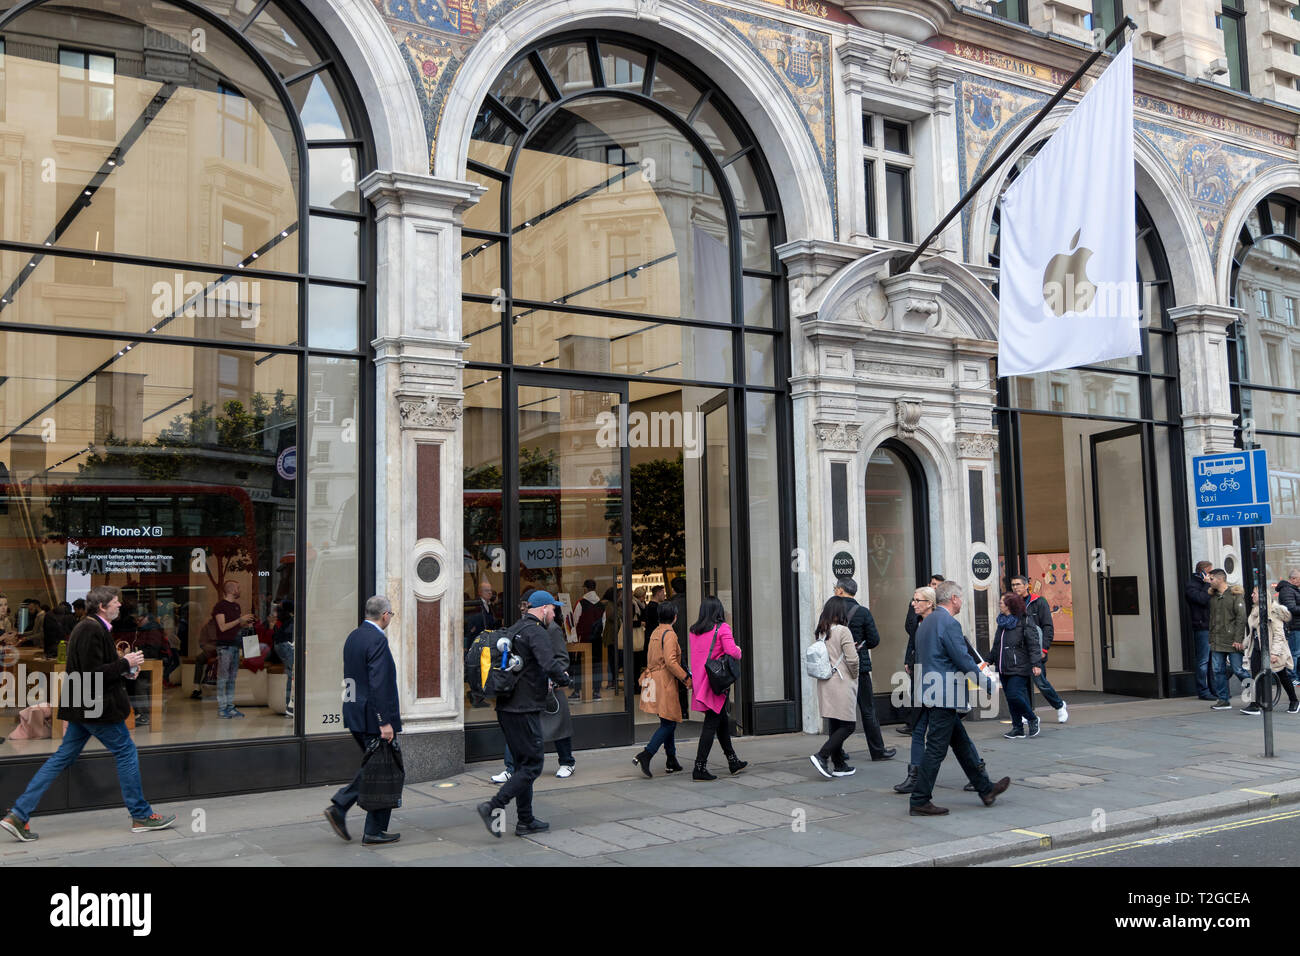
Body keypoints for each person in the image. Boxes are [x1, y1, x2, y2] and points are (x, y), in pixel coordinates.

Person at [1, 586, 177, 842]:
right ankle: (141, 815)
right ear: (103, 606)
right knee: (126, 751)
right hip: (96, 707)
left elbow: (92, 670)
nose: (120, 605)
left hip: (85, 707)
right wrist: (125, 664)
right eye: (116, 602)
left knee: (61, 757)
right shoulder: (91, 629)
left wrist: (124, 670)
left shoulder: (90, 627)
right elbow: (92, 674)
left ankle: (18, 814)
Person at [909, 580, 1011, 816]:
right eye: (961, 598)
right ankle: (919, 800)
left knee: (962, 744)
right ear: (953, 599)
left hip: (931, 692)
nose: (962, 602)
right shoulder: (949, 624)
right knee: (935, 749)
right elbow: (963, 660)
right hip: (945, 695)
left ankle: (986, 790)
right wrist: (987, 684)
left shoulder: (926, 623)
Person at [477, 590, 570, 837]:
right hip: (524, 709)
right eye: (552, 609)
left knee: (521, 765)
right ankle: (493, 806)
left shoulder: (516, 627)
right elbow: (549, 664)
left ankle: (526, 820)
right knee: (533, 766)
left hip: (507, 707)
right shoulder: (536, 631)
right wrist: (564, 678)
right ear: (542, 609)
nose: (554, 613)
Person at [324, 595, 402, 846]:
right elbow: (378, 683)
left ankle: (352, 814)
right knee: (382, 770)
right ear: (385, 615)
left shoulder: (354, 636)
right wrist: (384, 722)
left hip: (355, 712)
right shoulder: (377, 640)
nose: (390, 618)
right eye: (391, 614)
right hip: (373, 717)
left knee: (374, 768)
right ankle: (365, 824)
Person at [491, 601, 577, 783]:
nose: (522, 608)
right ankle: (512, 768)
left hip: (548, 687)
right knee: (522, 732)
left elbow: (559, 658)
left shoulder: (551, 629)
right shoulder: (523, 627)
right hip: (530, 689)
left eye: (525, 605)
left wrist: (558, 678)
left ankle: (567, 761)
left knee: (558, 725)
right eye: (522, 605)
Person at [832, 577, 894, 761]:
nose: (834, 591)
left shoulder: (830, 612)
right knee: (868, 709)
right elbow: (874, 640)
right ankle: (877, 750)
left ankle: (837, 751)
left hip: (836, 668)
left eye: (836, 588)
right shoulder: (863, 612)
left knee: (836, 711)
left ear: (841, 591)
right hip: (859, 667)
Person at [688, 596, 746, 780]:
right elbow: (732, 652)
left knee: (721, 721)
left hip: (701, 682)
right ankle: (699, 767)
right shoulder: (722, 628)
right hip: (716, 683)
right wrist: (739, 649)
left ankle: (733, 761)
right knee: (711, 725)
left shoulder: (694, 631)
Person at [633, 603, 689, 777]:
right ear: (674, 617)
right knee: (669, 722)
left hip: (654, 680)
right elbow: (671, 662)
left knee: (667, 720)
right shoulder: (670, 634)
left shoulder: (656, 632)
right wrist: (686, 678)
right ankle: (647, 754)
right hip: (665, 681)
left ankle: (671, 760)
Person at [808, 596, 860, 778]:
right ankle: (822, 755)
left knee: (835, 722)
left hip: (826, 681)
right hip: (841, 682)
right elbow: (852, 659)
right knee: (848, 725)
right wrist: (854, 675)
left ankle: (839, 764)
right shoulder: (843, 631)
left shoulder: (822, 631)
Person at [894, 586, 936, 794]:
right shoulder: (918, 623)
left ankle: (978, 773)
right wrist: (909, 660)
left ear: (929, 603)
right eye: (913, 600)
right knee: (919, 730)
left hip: (938, 685)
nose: (913, 604)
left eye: (917, 600)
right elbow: (913, 643)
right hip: (920, 680)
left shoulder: (939, 623)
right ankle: (914, 776)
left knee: (955, 736)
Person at [1010, 575, 1068, 723]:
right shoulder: (1012, 605)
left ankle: (1060, 705)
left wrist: (1044, 649)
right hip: (1020, 652)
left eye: (1018, 584)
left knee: (1040, 682)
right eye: (1013, 585)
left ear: (1026, 586)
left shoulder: (1039, 602)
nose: (1015, 587)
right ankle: (1027, 714)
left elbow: (1047, 627)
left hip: (1036, 651)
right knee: (1022, 683)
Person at [989, 592, 1044, 739]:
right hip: (1003, 666)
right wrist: (989, 660)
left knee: (1014, 694)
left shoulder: (1024, 621)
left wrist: (1036, 664)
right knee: (1010, 698)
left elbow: (1033, 644)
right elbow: (997, 644)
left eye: (1002, 602)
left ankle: (1032, 718)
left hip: (1019, 666)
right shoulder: (1002, 622)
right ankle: (1017, 728)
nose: (999, 604)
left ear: (1009, 605)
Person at [1241, 586, 1299, 716]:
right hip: (1257, 648)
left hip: (1272, 649)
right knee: (1255, 676)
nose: (1251, 595)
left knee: (1282, 675)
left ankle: (1294, 700)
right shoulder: (1255, 611)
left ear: (1262, 596)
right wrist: (1243, 644)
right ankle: (1254, 704)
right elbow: (1252, 633)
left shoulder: (1273, 612)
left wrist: (1274, 653)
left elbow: (1279, 635)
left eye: (1254, 593)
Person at [900, 574, 945, 736]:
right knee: (916, 693)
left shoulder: (942, 617)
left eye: (938, 585)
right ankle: (914, 725)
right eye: (933, 584)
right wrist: (908, 659)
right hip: (918, 661)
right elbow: (912, 635)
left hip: (936, 668)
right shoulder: (917, 615)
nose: (914, 604)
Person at [211, 580, 255, 718]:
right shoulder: (220, 606)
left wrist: (245, 625)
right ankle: (222, 708)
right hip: (224, 646)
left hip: (235, 645)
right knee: (223, 678)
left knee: (231, 678)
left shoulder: (236, 606)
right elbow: (222, 627)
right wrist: (239, 620)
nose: (240, 590)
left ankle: (230, 707)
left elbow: (234, 626)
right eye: (238, 587)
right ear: (231, 590)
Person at [1208, 569, 1249, 710]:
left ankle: (1255, 696)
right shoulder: (1213, 597)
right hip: (1216, 640)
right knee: (1217, 670)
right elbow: (1212, 620)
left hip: (1232, 640)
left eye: (1211, 578)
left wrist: (1238, 639)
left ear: (1220, 579)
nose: (1209, 581)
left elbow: (1241, 617)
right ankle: (1223, 700)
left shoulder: (1234, 595)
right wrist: (1211, 638)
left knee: (1238, 670)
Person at [1184, 561, 1216, 700]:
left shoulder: (1208, 585)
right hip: (1202, 627)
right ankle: (1203, 690)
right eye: (1210, 572)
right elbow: (1202, 599)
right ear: (1203, 572)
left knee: (1214, 660)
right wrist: (1207, 584)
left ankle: (1215, 689)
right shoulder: (1192, 586)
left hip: (1213, 626)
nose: (1212, 576)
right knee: (1203, 660)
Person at [572, 579, 604, 700]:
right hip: (597, 639)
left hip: (583, 638)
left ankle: (577, 690)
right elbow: (603, 623)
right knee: (597, 664)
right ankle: (596, 691)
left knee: (580, 665)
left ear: (585, 588)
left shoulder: (581, 603)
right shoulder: (601, 604)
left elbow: (574, 621)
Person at [1275, 569, 1300, 688]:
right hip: (1294, 627)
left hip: (1296, 626)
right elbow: (1290, 608)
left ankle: (1296, 677)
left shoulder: (1292, 590)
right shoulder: (1287, 590)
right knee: (1294, 653)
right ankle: (1293, 677)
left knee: (1297, 653)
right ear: (1293, 579)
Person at [272, 599, 295, 718]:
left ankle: (290, 706)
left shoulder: (286, 620)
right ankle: (290, 707)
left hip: (281, 644)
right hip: (285, 644)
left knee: (291, 674)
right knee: (292, 675)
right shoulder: (292, 620)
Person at [600, 586, 622, 691]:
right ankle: (612, 681)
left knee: (614, 659)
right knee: (613, 660)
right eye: (618, 595)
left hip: (613, 636)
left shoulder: (613, 604)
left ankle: (613, 680)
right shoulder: (610, 605)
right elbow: (612, 617)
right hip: (612, 637)